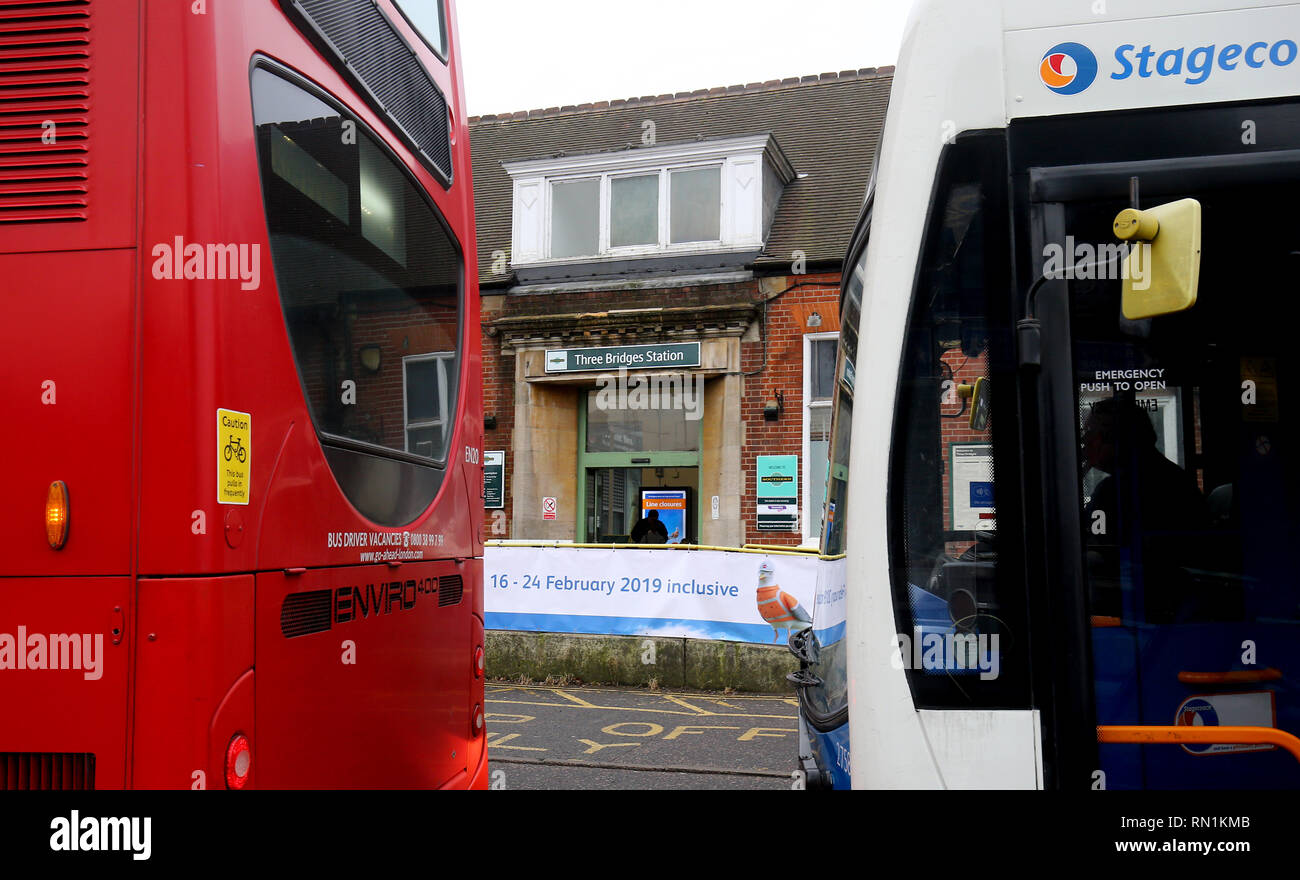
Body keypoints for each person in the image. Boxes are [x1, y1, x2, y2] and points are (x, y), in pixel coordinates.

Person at [1081, 396, 1209, 621]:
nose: (1085, 440)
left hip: (1142, 608)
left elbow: (1093, 550)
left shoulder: (1118, 490)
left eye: (1091, 433)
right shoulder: (1173, 477)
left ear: (1113, 439)